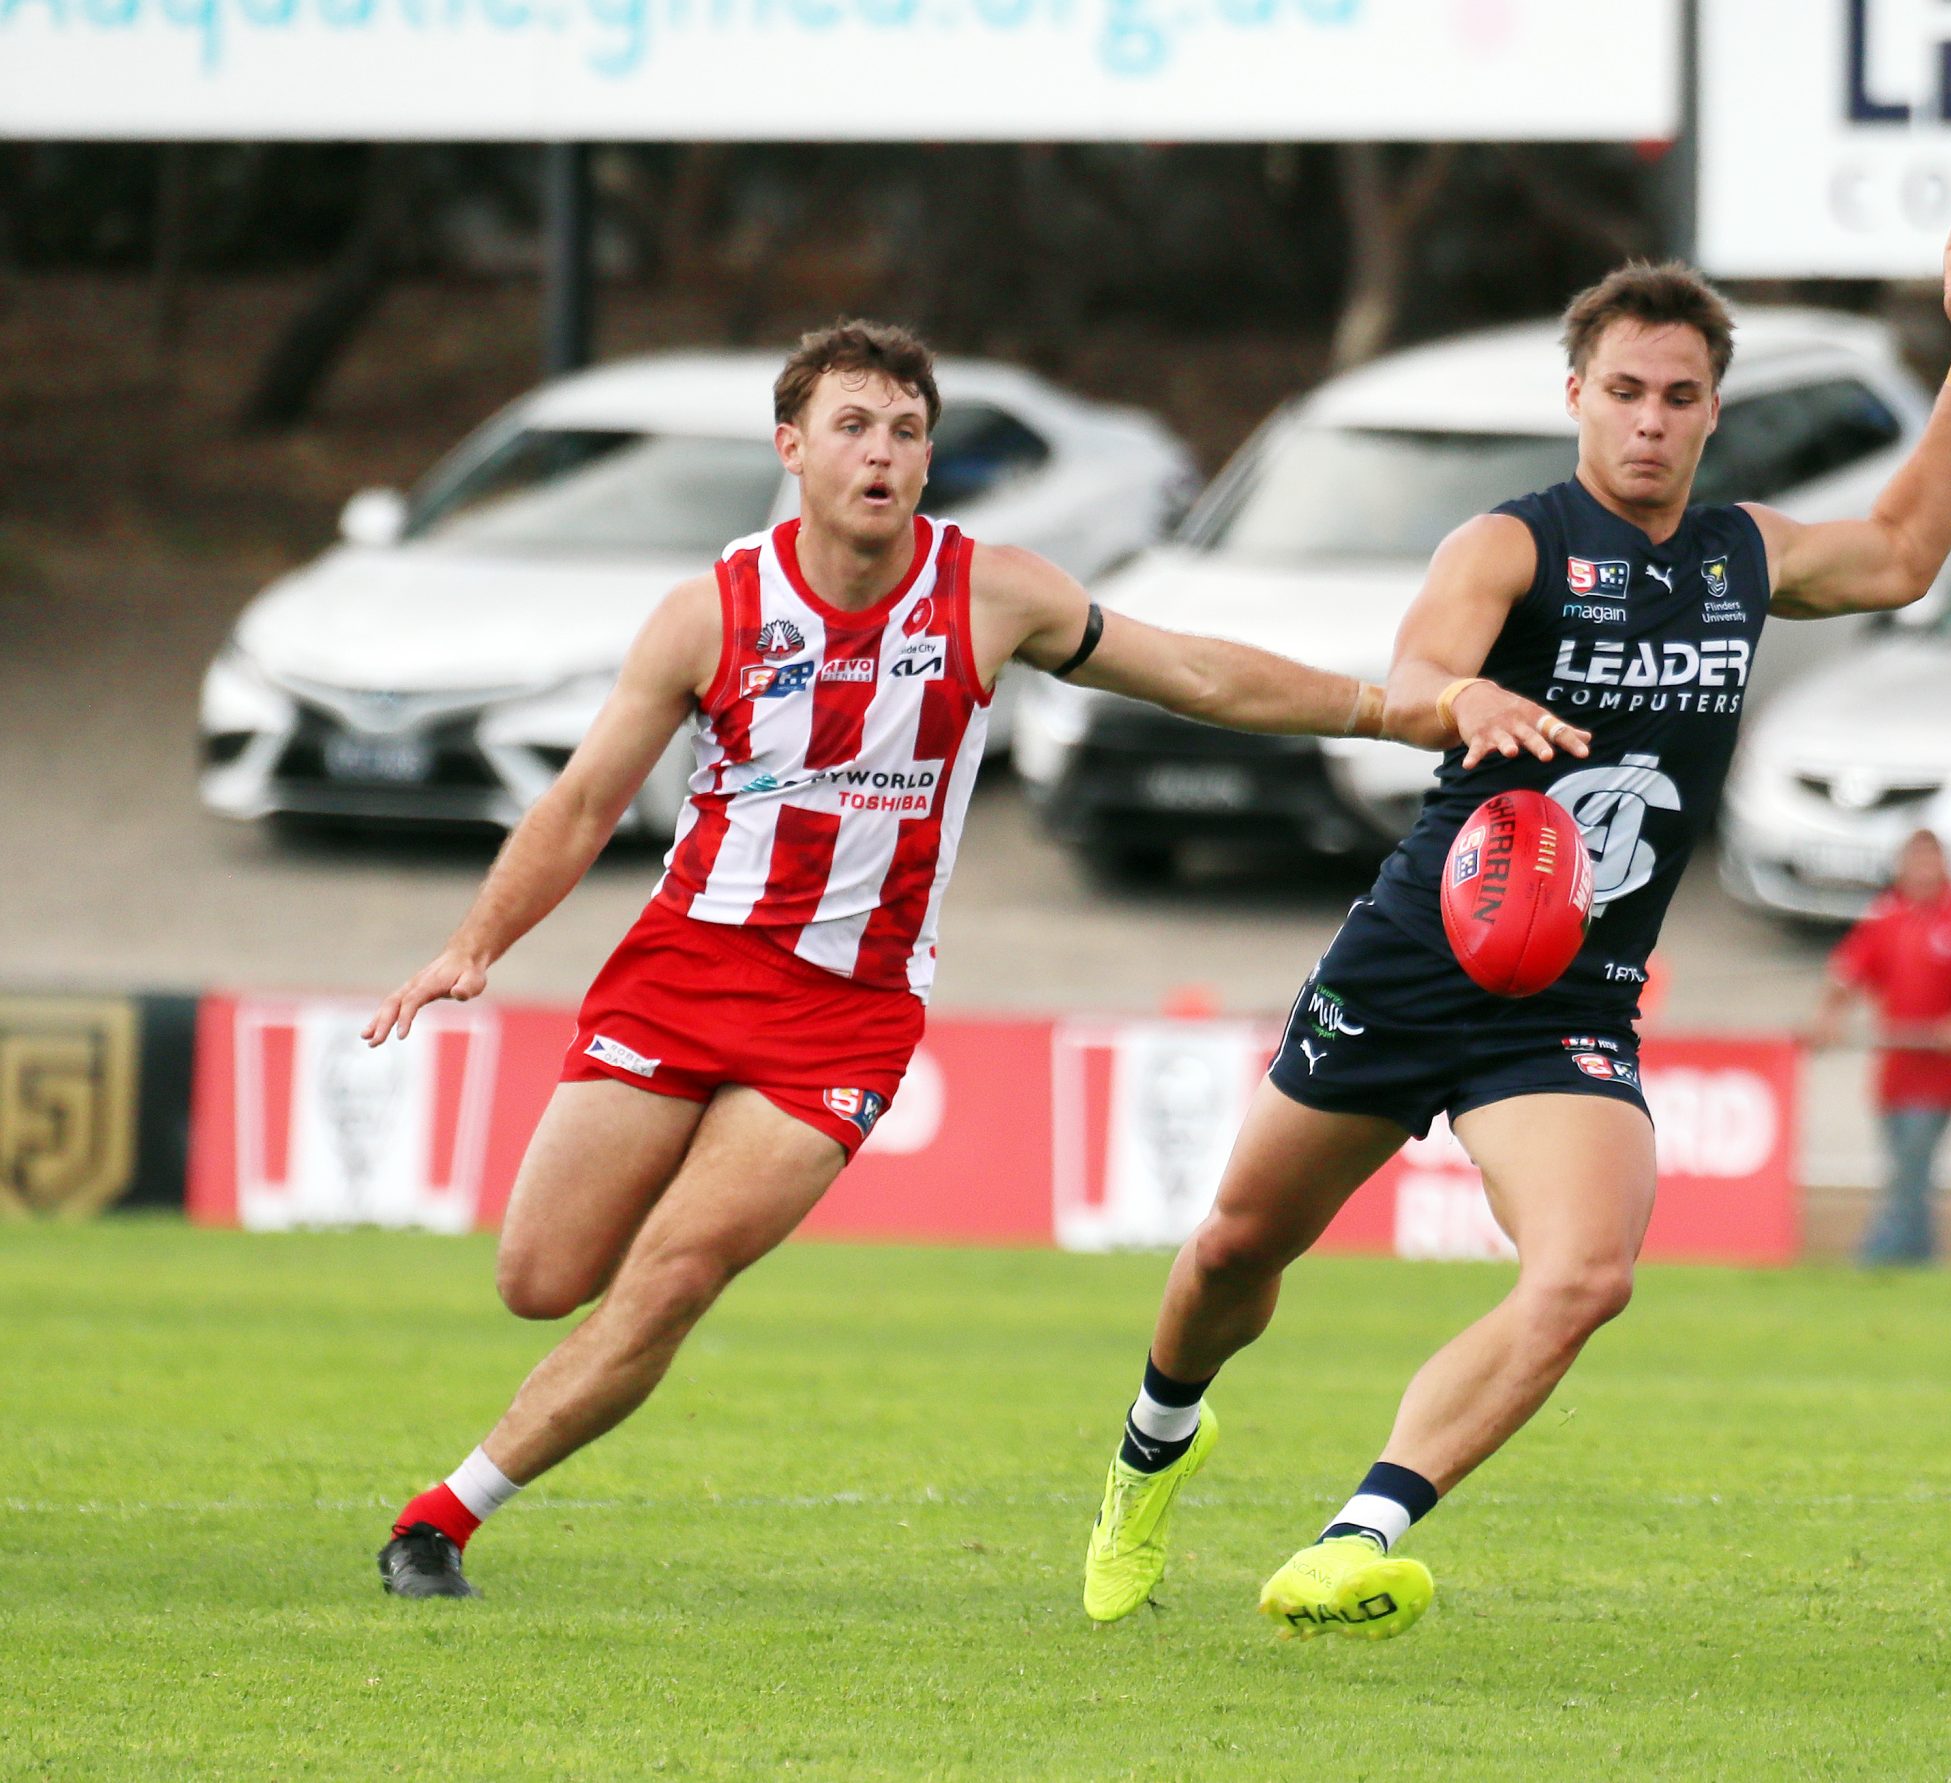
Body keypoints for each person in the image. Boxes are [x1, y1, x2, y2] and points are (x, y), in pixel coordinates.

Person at [364, 318, 1493, 1600]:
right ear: (791, 449)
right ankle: (524, 1419)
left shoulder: (991, 594)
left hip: (846, 1015)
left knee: (673, 1275)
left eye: (906, 430)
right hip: (681, 973)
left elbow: (1188, 671)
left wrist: (1387, 709)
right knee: (539, 1279)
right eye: (852, 426)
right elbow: (578, 805)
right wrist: (472, 947)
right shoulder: (709, 612)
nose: (882, 453)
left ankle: (439, 1521)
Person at [1081, 210, 1951, 1640]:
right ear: (1576, 394)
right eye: (1625, 390)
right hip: (1416, 958)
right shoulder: (1510, 544)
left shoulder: (1741, 554)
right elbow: (1417, 668)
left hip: (1571, 994)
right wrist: (1461, 695)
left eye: (1680, 395)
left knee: (1588, 1273)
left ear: (1715, 411)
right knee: (1232, 1249)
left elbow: (1898, 555)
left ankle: (1357, 1535)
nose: (1650, 421)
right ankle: (1153, 1445)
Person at [1804, 829, 1951, 1266]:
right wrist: (1828, 1017)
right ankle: (1921, 1258)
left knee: (1911, 1162)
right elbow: (1848, 969)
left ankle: (1876, 1256)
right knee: (1905, 1166)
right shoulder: (1888, 914)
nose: (1921, 871)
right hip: (1896, 1067)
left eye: (1929, 860)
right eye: (1913, 861)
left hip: (1943, 1070)